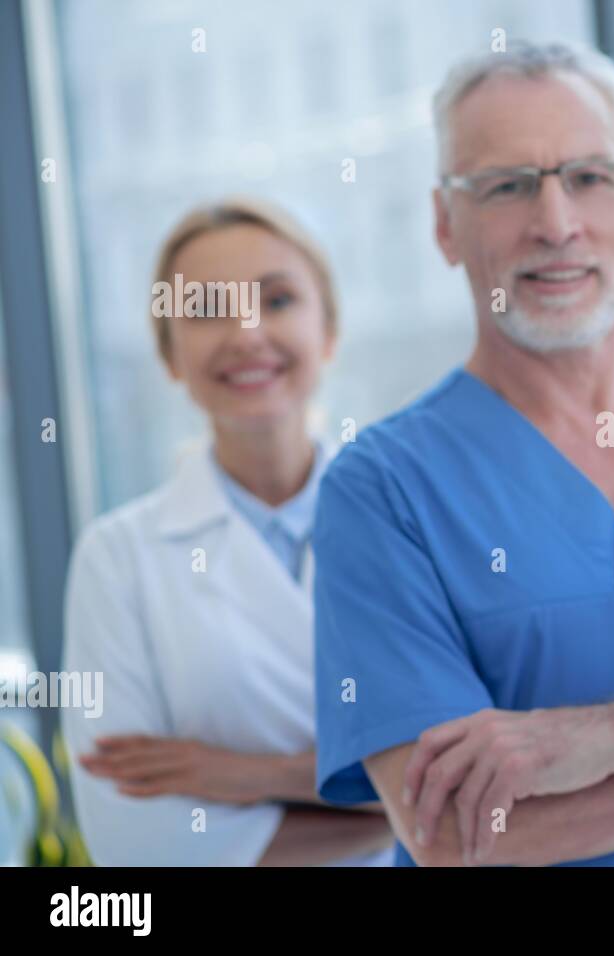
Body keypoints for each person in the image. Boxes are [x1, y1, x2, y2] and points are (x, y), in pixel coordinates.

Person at [311, 41, 614, 867]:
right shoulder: (382, 490)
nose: (556, 223)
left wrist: (601, 736)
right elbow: (457, 836)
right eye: (507, 186)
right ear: (443, 225)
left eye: (590, 177)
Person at [62, 199, 394, 865]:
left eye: (276, 301)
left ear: (328, 331)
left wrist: (246, 775)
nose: (245, 333)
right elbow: (136, 842)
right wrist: (394, 816)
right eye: (208, 310)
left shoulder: (408, 524)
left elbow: (474, 771)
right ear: (169, 355)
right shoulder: (118, 558)